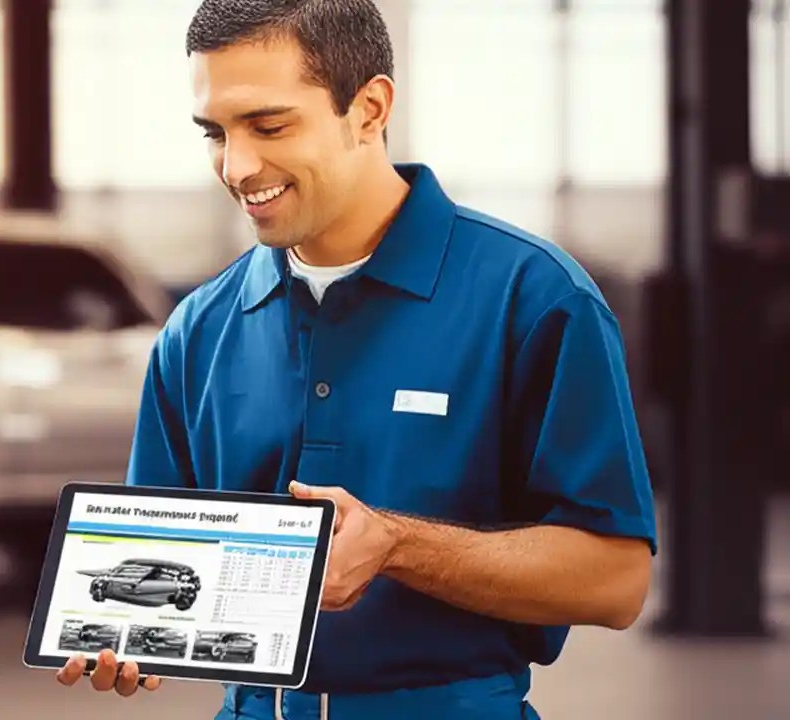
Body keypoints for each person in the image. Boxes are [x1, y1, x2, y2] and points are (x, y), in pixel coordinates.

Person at [58, 0, 657, 717]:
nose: (237, 166)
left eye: (269, 125)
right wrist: (127, 634)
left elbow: (616, 582)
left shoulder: (533, 299)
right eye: (214, 133)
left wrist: (397, 545)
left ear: (369, 109)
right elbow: (158, 573)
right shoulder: (198, 330)